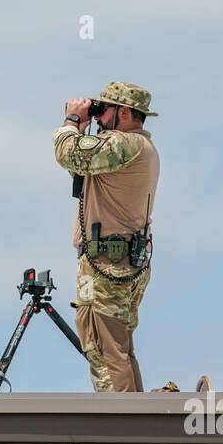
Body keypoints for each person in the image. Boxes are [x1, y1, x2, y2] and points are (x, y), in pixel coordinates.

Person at [53, 82, 160, 392]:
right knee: (118, 351)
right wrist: (87, 124)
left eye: (105, 111)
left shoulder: (127, 145)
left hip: (108, 265)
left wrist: (73, 120)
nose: (99, 118)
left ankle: (125, 427)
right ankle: (138, 420)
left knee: (105, 352)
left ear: (124, 113)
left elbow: (67, 152)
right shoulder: (137, 148)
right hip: (118, 261)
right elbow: (80, 164)